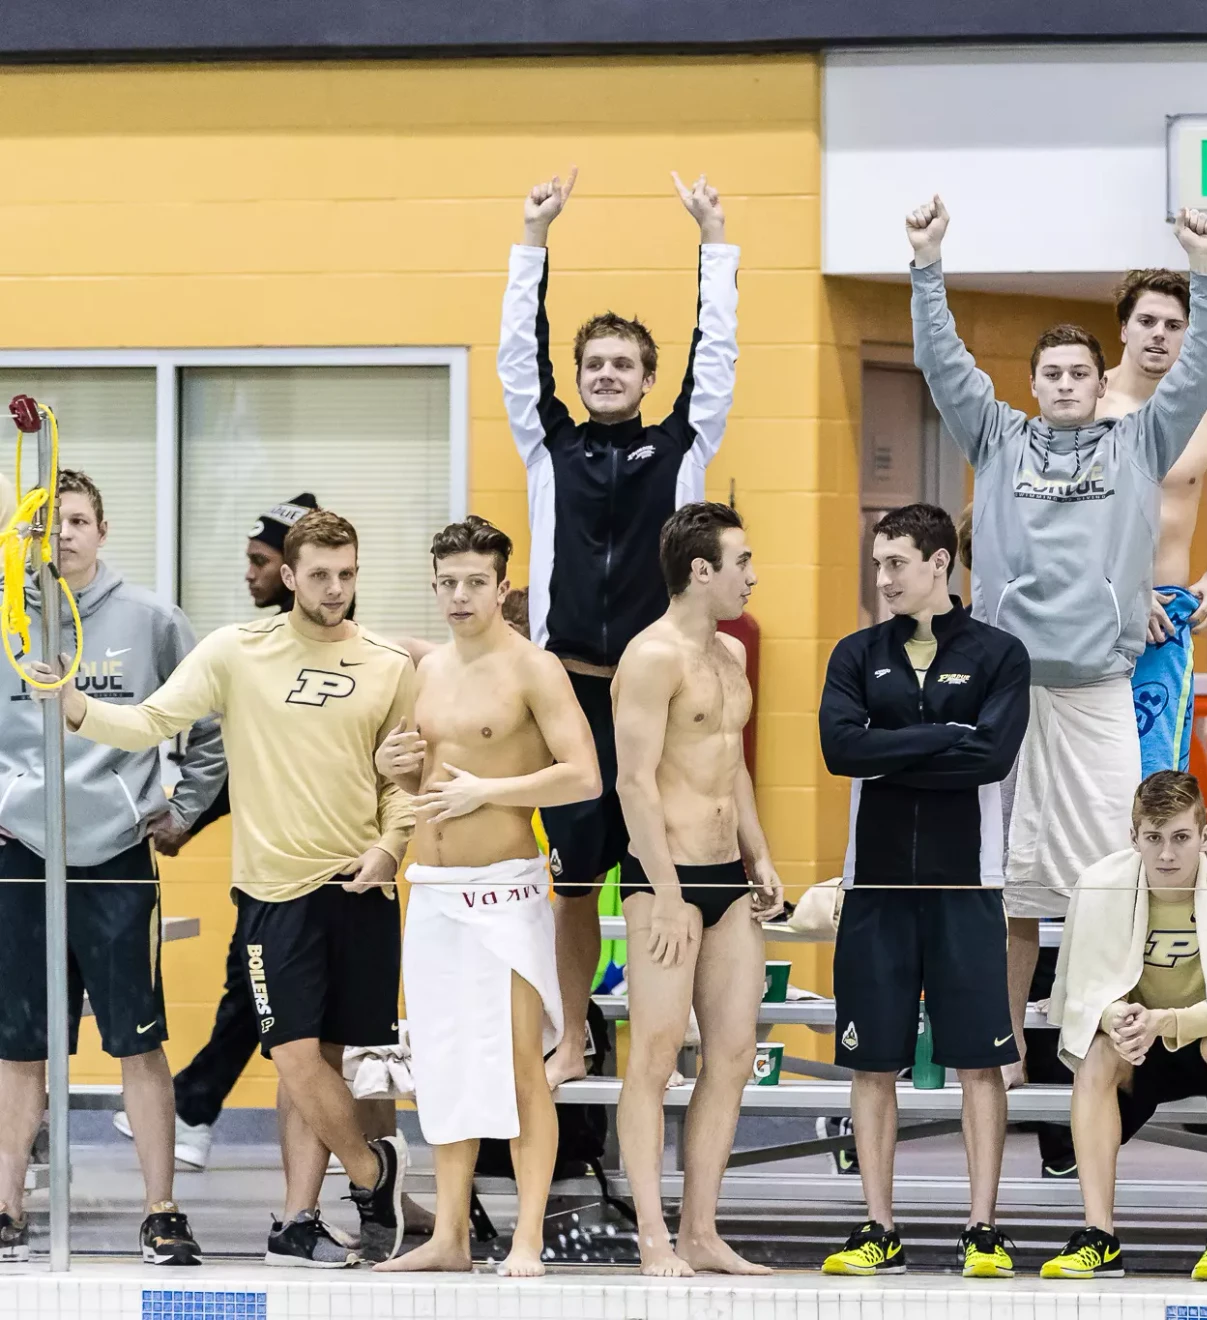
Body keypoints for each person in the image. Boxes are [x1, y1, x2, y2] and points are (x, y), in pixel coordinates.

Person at [32, 509, 416, 1269]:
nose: (334, 589)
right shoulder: (237, 653)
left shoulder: (388, 664)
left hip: (361, 887)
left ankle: (298, 1222)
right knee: (293, 1052)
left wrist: (390, 846)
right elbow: (150, 721)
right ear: (289, 575)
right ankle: (376, 1174)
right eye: (318, 575)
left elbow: (399, 784)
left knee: (323, 1062)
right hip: (276, 892)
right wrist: (74, 706)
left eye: (346, 574)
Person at [906, 195, 1207, 1092]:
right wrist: (927, 263)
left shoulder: (1140, 441)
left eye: (1076, 373)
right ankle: (1005, 1045)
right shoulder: (998, 437)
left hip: (1096, 691)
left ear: (1099, 381)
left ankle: (1101, 1043)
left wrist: (1206, 270)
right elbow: (942, 362)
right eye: (1047, 372)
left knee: (1113, 878)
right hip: (1005, 694)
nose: (1061, 385)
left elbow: (1203, 367)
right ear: (1035, 382)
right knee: (1006, 885)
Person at [497, 166, 741, 1088]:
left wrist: (714, 242)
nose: (606, 374)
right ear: (579, 377)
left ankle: (662, 1033)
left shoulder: (681, 446)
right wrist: (533, 241)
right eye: (593, 363)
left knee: (658, 870)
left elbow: (716, 357)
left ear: (646, 379)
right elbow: (516, 357)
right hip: (568, 689)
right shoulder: (546, 443)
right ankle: (572, 1034)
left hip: (658, 695)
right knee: (569, 879)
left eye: (623, 365)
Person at [0, 470, 225, 1266]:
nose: (60, 534)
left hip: (116, 856)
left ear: (101, 530)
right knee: (20, 1044)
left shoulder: (152, 619)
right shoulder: (3, 620)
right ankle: (7, 1208)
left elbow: (210, 727)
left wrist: (184, 808)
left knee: (140, 1041)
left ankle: (161, 1211)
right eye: (45, 524)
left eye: (77, 520)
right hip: (20, 853)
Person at [370, 517, 599, 1276]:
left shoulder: (534, 668)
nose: (460, 595)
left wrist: (489, 791)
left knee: (515, 1065)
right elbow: (421, 783)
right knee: (443, 1062)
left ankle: (527, 1235)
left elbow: (584, 775)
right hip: (432, 890)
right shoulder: (427, 670)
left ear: (503, 586)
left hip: (503, 892)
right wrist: (394, 766)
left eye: (475, 582)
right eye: (447, 582)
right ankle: (450, 1237)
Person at [816, 502, 1030, 1277]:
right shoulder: (854, 653)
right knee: (871, 1064)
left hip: (966, 880)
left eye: (896, 563)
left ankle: (982, 1228)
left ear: (940, 563)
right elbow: (841, 750)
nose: (883, 578)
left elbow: (992, 760)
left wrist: (889, 750)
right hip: (873, 882)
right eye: (878, 564)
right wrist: (945, 735)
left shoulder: (1002, 655)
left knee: (981, 1063)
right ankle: (879, 1226)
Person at [609, 501, 781, 1277]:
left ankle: (700, 1232)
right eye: (741, 561)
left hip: (726, 877)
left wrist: (761, 854)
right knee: (651, 1055)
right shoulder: (652, 658)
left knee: (735, 1053)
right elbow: (633, 784)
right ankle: (651, 1234)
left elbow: (731, 766)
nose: (752, 575)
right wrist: (670, 893)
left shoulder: (732, 657)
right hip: (662, 880)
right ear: (700, 570)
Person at [1042, 771, 1207, 1282]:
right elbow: (1079, 994)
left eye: (1181, 837)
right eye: (1154, 838)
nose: (1167, 854)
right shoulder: (1099, 884)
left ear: (1206, 836)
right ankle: (1099, 1235)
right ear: (1133, 837)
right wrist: (1112, 1015)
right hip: (1144, 1039)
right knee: (1096, 1055)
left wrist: (1175, 1020)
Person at [145, 491, 322, 1174]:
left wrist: (187, 818)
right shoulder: (257, 648)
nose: (247, 575)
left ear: (286, 571)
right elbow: (247, 761)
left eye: (258, 562)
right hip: (267, 861)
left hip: (310, 864)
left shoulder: (314, 653)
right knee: (250, 990)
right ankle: (198, 1104)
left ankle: (195, 1105)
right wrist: (187, 818)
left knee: (266, 998)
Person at [1096, 269, 1207, 777]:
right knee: (1089, 772)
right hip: (1092, 609)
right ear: (1124, 328)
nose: (1159, 334)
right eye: (1147, 321)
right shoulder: (1084, 407)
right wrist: (1124, 592)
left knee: (1155, 775)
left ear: (1189, 334)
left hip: (1164, 618)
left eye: (1174, 324)